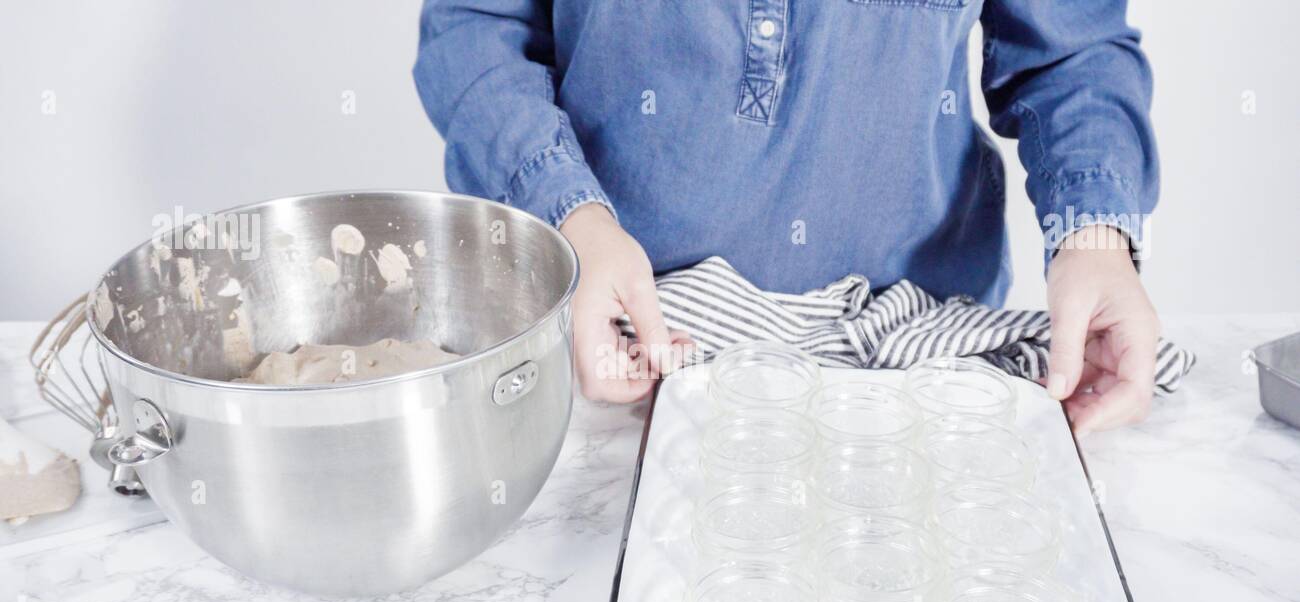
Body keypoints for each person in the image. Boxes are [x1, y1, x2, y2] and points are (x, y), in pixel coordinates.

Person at [413, 0, 1160, 434]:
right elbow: (477, 28)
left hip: (925, 377)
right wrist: (570, 219)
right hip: (611, 361)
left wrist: (1095, 240)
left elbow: (1072, 52)